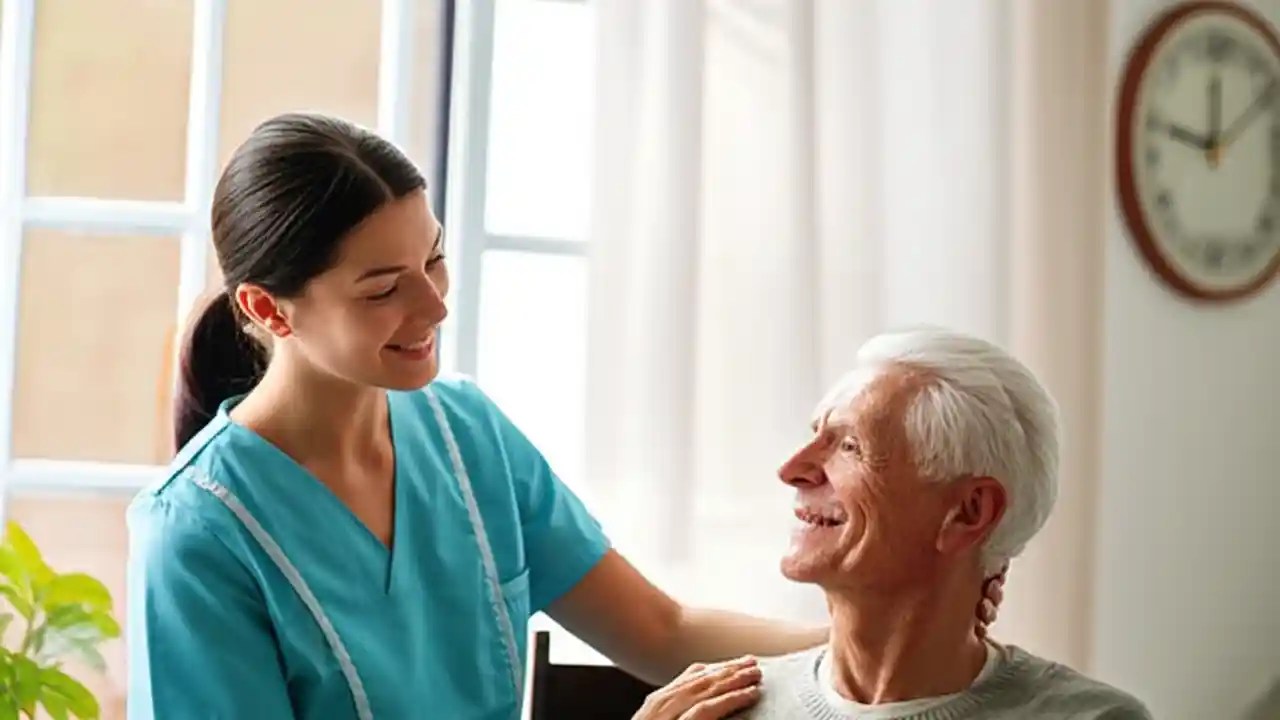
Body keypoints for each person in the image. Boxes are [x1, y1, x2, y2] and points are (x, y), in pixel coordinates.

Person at [125, 112, 1003, 720]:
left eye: (434, 262)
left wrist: (879, 634)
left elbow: (664, 633)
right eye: (385, 289)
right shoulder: (198, 535)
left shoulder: (467, 437)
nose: (433, 310)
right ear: (272, 311)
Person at [721, 328, 1152, 719]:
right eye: (816, 435)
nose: (792, 469)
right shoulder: (723, 707)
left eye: (850, 446)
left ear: (968, 513)